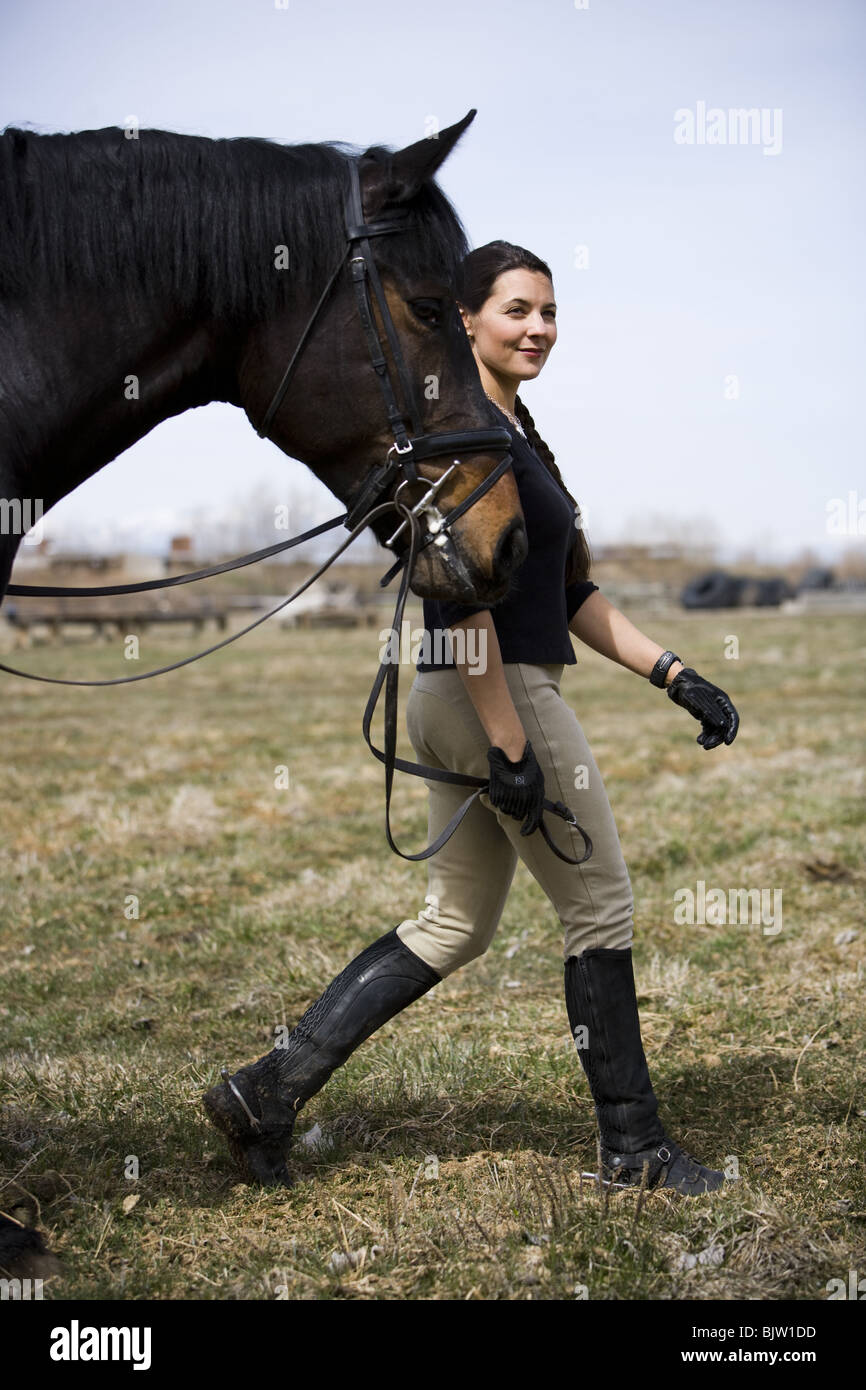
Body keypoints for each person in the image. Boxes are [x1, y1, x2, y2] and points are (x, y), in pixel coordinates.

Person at [203, 241, 739, 1197]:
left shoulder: (513, 432)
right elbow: (463, 601)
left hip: (464, 689)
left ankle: (264, 1093)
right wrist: (509, 742)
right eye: (517, 311)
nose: (538, 328)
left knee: (454, 922)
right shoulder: (459, 436)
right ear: (466, 320)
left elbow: (572, 590)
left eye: (549, 311)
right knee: (601, 906)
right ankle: (636, 1152)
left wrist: (675, 672)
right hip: (494, 686)